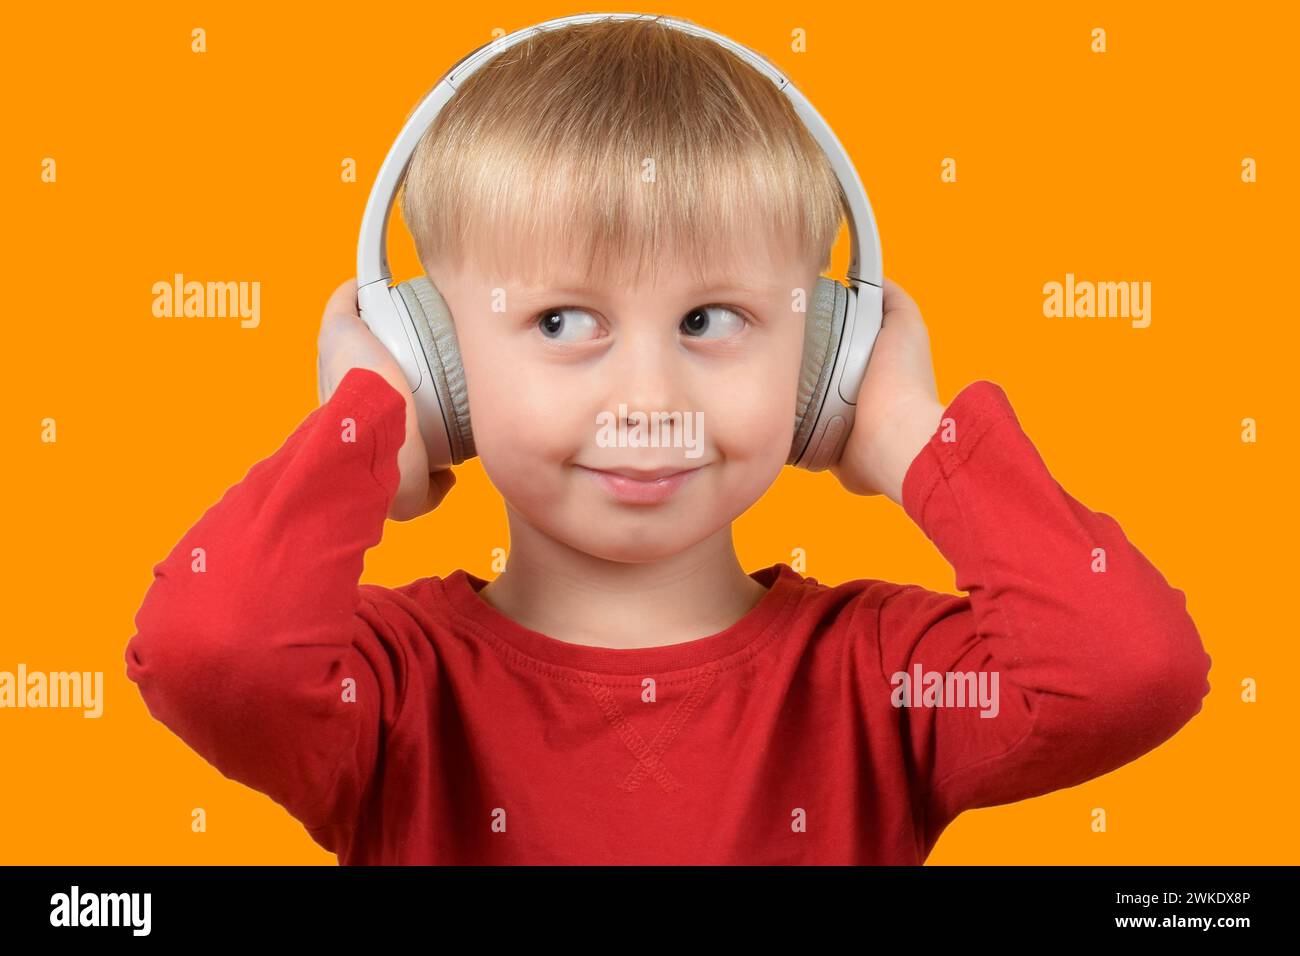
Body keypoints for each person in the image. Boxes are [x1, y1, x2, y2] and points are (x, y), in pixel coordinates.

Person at [125, 17, 1211, 864]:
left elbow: (1129, 672)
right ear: (436, 358)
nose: (649, 398)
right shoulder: (391, 691)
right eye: (559, 321)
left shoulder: (878, 683)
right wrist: (365, 416)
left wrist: (906, 434)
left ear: (823, 353)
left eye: (709, 320)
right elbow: (209, 654)